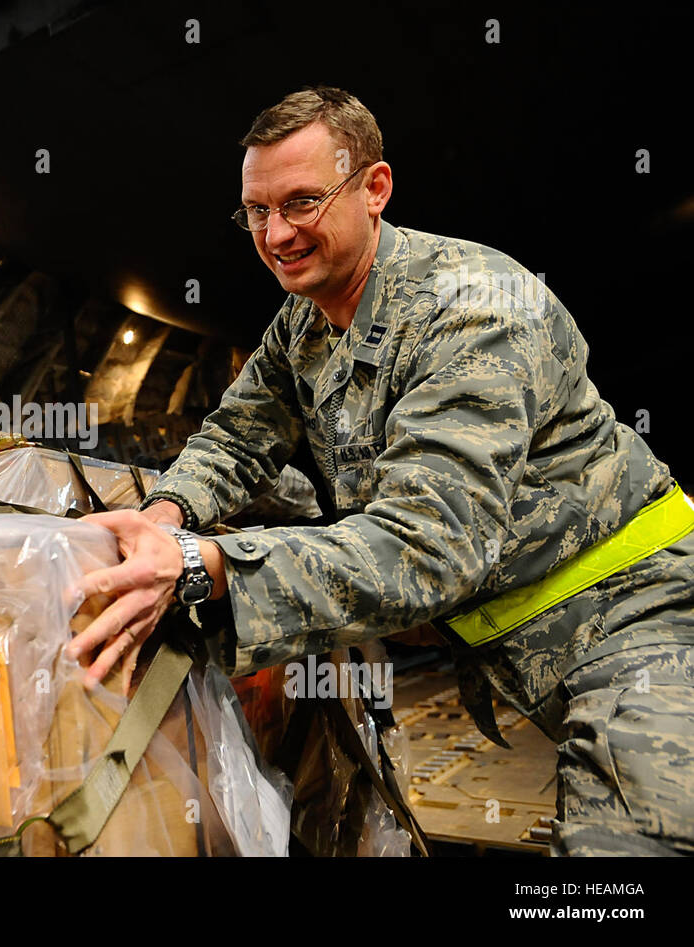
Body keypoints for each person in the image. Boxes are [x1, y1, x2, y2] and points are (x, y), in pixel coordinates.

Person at [69, 86, 694, 857]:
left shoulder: (476, 307)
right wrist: (162, 519)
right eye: (255, 212)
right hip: (529, 638)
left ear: (375, 188)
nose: (276, 234)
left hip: (641, 622)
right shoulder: (304, 321)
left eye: (300, 202)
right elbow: (236, 437)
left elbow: (431, 545)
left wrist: (206, 566)